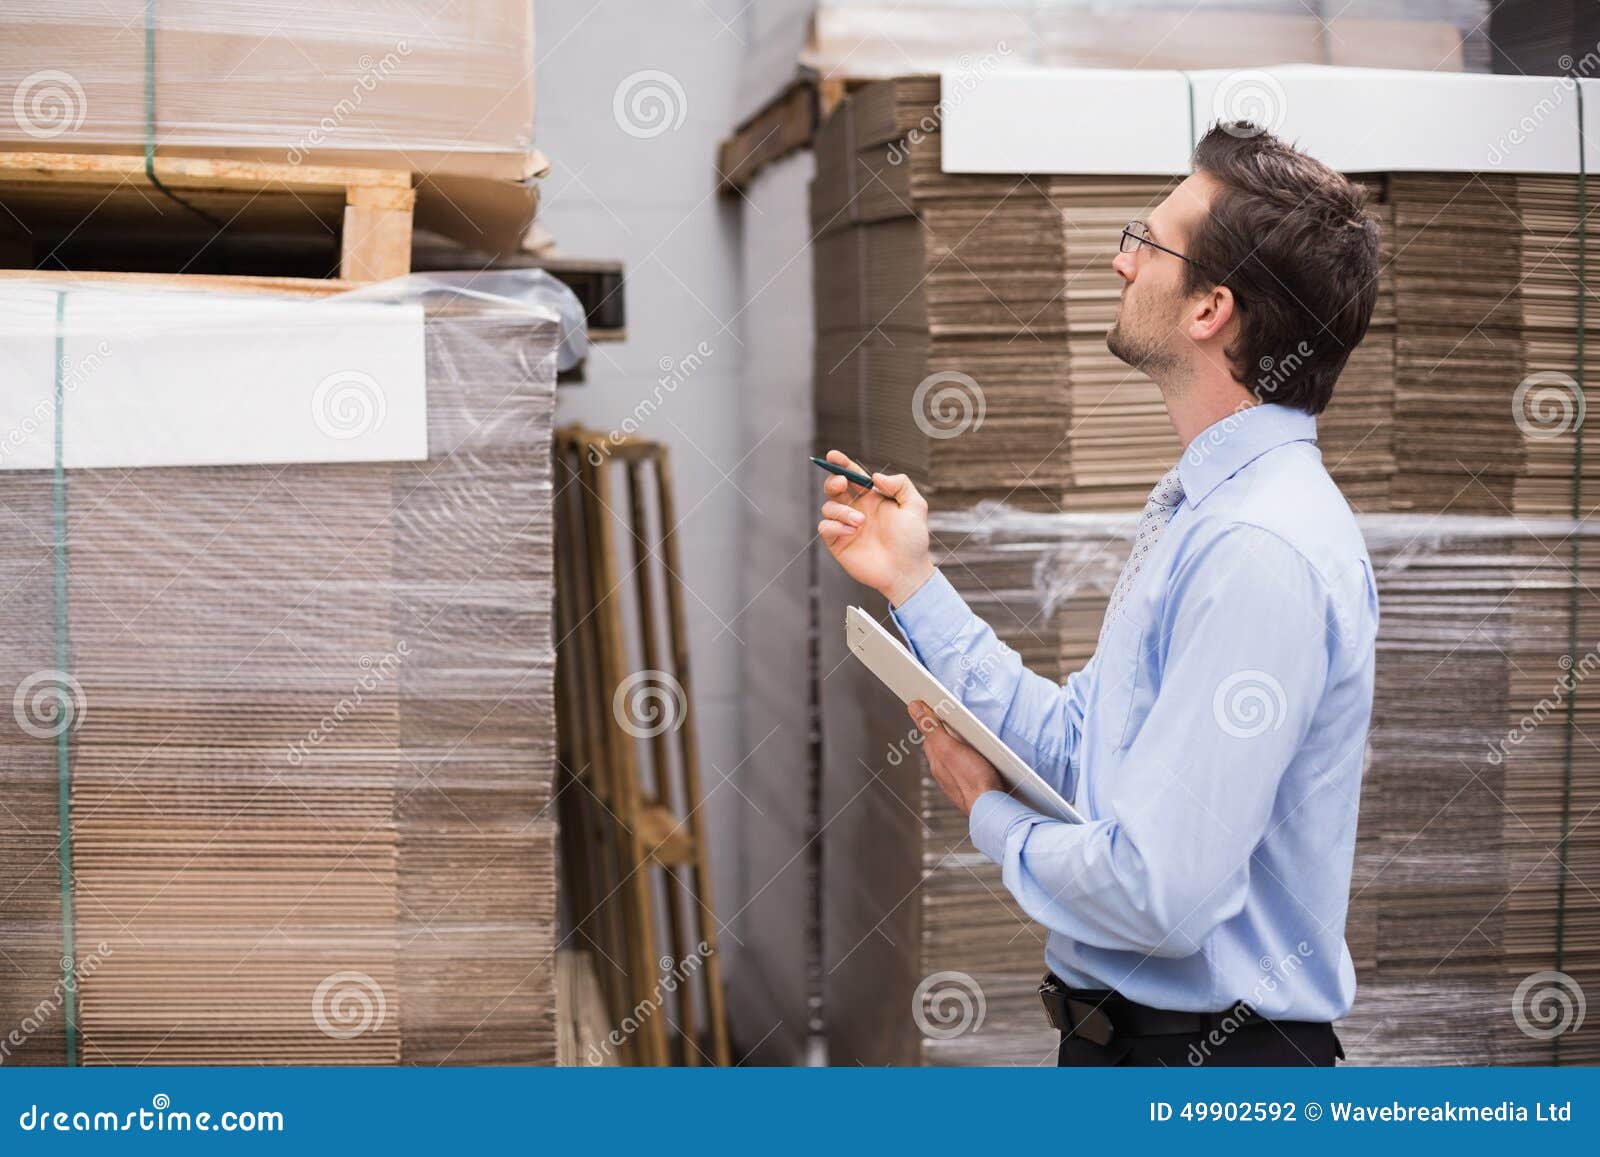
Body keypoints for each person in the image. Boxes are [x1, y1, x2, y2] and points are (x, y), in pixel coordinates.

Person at [816, 122, 1382, 1067]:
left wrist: (987, 812)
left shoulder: (1255, 548)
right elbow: (1084, 752)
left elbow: (1160, 894)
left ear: (1211, 309)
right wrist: (912, 581)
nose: (1121, 262)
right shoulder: (1198, 507)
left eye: (1147, 241)